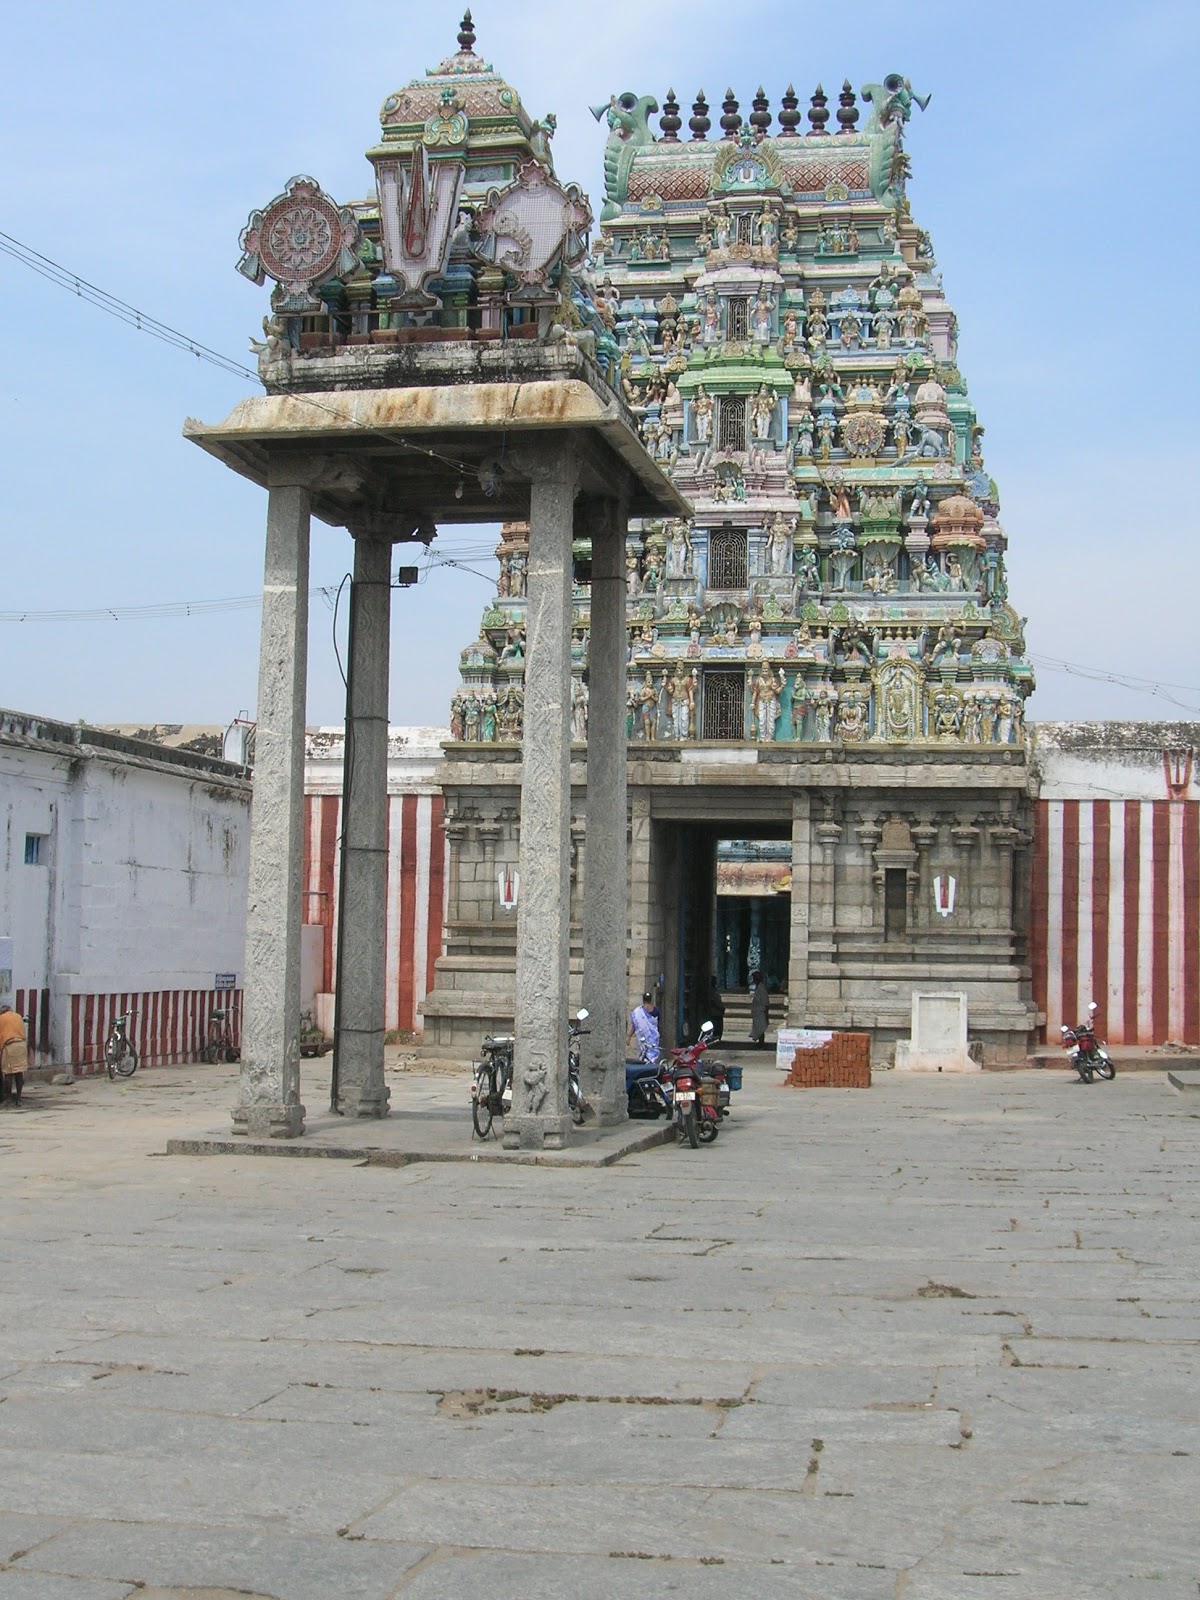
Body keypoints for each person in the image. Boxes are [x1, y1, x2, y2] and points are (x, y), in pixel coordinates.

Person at [0, 1003, 28, 1107]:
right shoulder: (18, 1016)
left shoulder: (1, 1018)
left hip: (10, 1045)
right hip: (21, 1044)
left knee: (8, 1073)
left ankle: (8, 1099)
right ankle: (19, 1098)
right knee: (19, 1072)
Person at [628, 992, 660, 1065]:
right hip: (653, 1039)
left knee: (642, 1055)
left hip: (642, 1039)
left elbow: (634, 1026)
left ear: (643, 1000)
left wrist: (628, 1036)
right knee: (652, 1056)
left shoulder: (638, 1012)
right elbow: (657, 1024)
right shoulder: (656, 1011)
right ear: (651, 1000)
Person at [749, 970, 770, 1046]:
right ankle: (760, 1042)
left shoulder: (762, 988)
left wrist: (766, 1012)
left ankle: (761, 1043)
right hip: (757, 1011)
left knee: (761, 1028)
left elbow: (765, 1001)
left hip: (761, 1011)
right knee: (758, 1027)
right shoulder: (758, 987)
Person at [705, 977, 726, 1043]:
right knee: (716, 1026)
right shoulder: (711, 991)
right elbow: (713, 1001)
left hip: (717, 1012)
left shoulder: (714, 990)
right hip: (715, 1012)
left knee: (718, 1026)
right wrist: (720, 1008)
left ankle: (717, 1038)